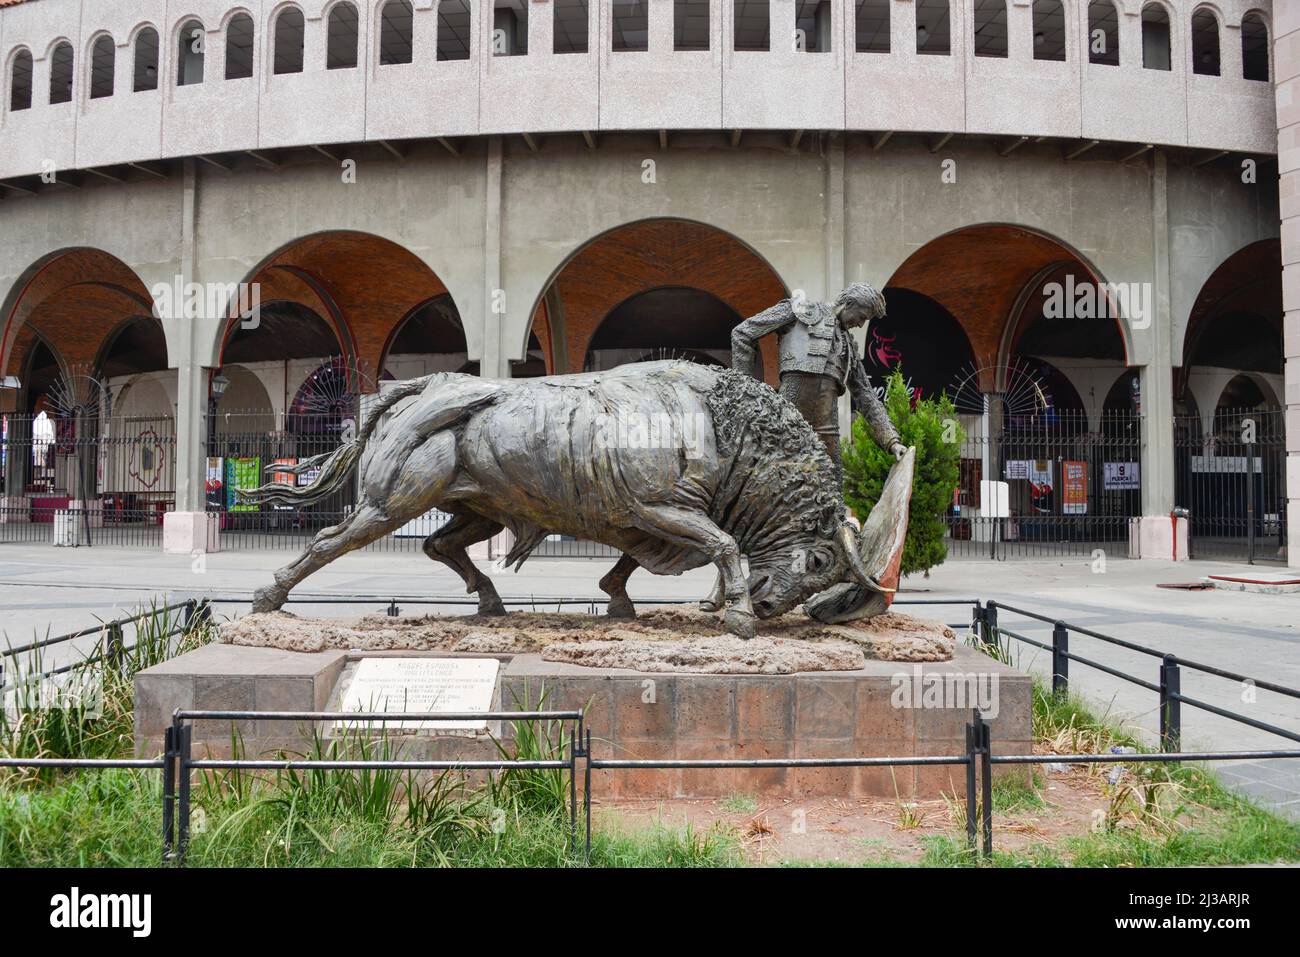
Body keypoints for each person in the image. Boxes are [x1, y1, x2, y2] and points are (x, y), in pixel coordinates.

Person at [730, 282, 906, 471]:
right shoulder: (799, 311)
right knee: (776, 485)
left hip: (827, 435)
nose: (861, 324)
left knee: (832, 493)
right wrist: (745, 395)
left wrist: (892, 441)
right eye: (862, 317)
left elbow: (867, 397)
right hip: (784, 424)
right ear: (848, 304)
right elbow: (743, 334)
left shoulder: (849, 347)